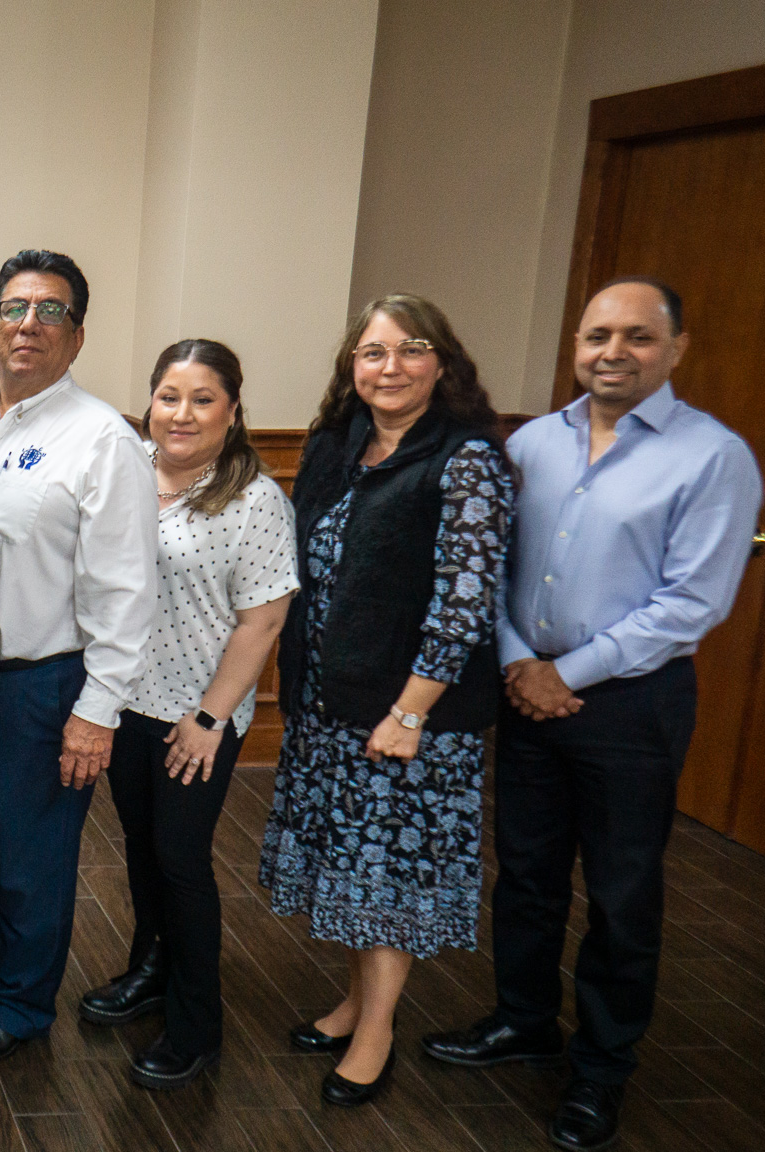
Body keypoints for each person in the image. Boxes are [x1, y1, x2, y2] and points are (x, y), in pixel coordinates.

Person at [422, 277, 761, 1152]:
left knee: (621, 893)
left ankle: (602, 1068)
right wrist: (517, 663)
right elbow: (490, 569)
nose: (614, 352)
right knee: (527, 872)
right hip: (525, 687)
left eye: (638, 338)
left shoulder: (712, 457)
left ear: (676, 349)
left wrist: (565, 670)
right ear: (576, 344)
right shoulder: (533, 443)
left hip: (630, 705)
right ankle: (523, 1018)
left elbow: (693, 602)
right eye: (598, 335)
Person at [258, 294, 514, 1108]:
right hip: (332, 703)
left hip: (407, 720)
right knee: (348, 866)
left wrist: (409, 713)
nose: (391, 367)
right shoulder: (338, 448)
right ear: (352, 368)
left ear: (443, 363)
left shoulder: (466, 458)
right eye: (373, 353)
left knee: (384, 880)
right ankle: (353, 1004)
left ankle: (377, 1035)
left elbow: (465, 604)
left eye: (411, 349)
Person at [0, 250, 157, 1067]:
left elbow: (126, 591)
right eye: (16, 309)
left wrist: (97, 712)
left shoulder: (102, 440)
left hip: (43, 684)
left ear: (77, 335)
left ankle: (19, 1004)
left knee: (33, 857)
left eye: (51, 311)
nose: (30, 325)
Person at [81, 340, 298, 1090]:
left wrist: (210, 719)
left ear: (233, 411)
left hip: (195, 717)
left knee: (181, 859)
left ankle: (196, 1023)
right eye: (169, 396)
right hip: (122, 701)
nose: (182, 413)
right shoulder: (125, 473)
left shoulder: (254, 500)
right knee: (141, 850)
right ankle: (149, 969)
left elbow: (261, 624)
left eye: (202, 398)